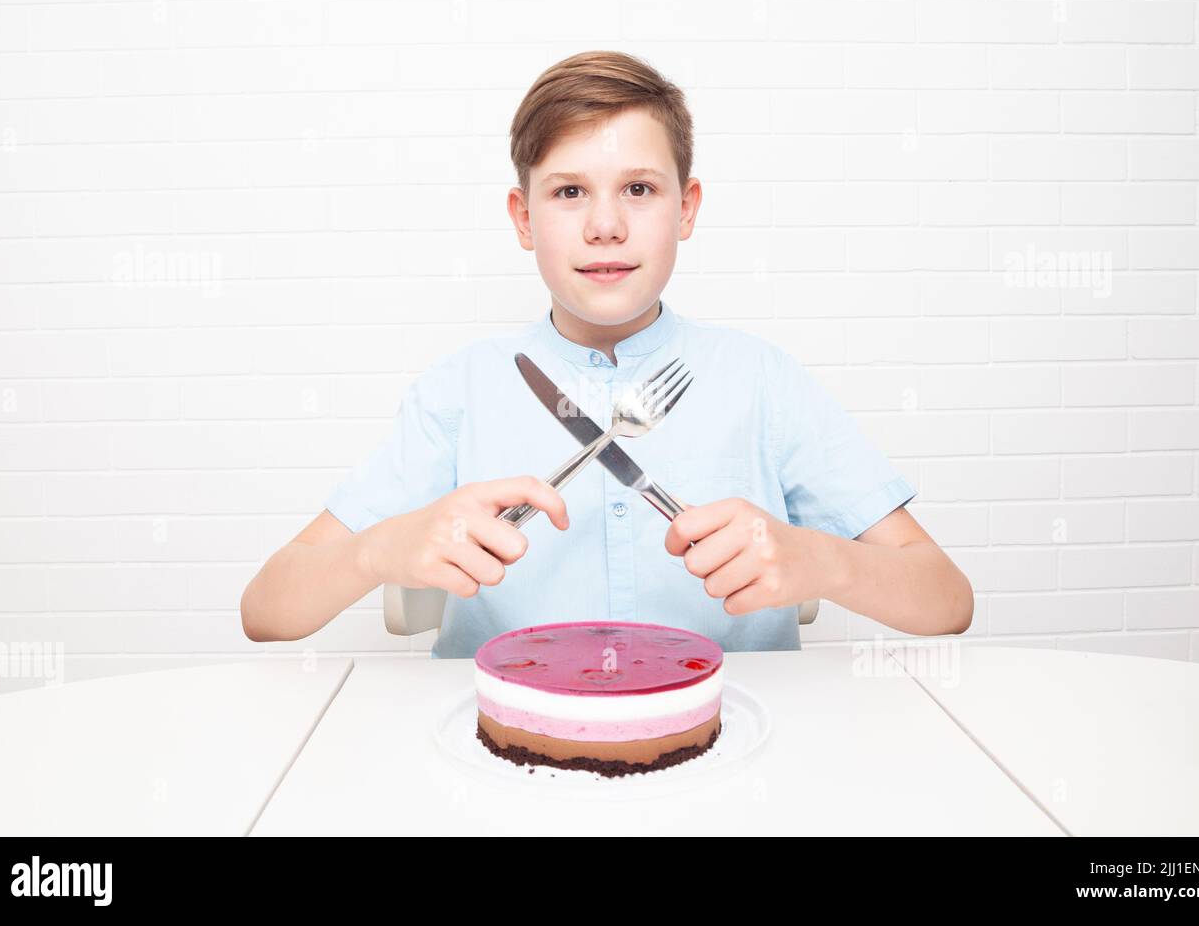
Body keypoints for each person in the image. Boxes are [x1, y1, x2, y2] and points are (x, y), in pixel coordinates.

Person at [240, 50, 973, 655]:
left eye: (639, 189)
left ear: (686, 209)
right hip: (500, 745)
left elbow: (947, 601)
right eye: (568, 193)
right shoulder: (457, 392)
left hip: (731, 740)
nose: (605, 225)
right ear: (523, 219)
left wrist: (823, 560)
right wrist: (381, 549)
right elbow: (266, 611)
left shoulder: (762, 381)